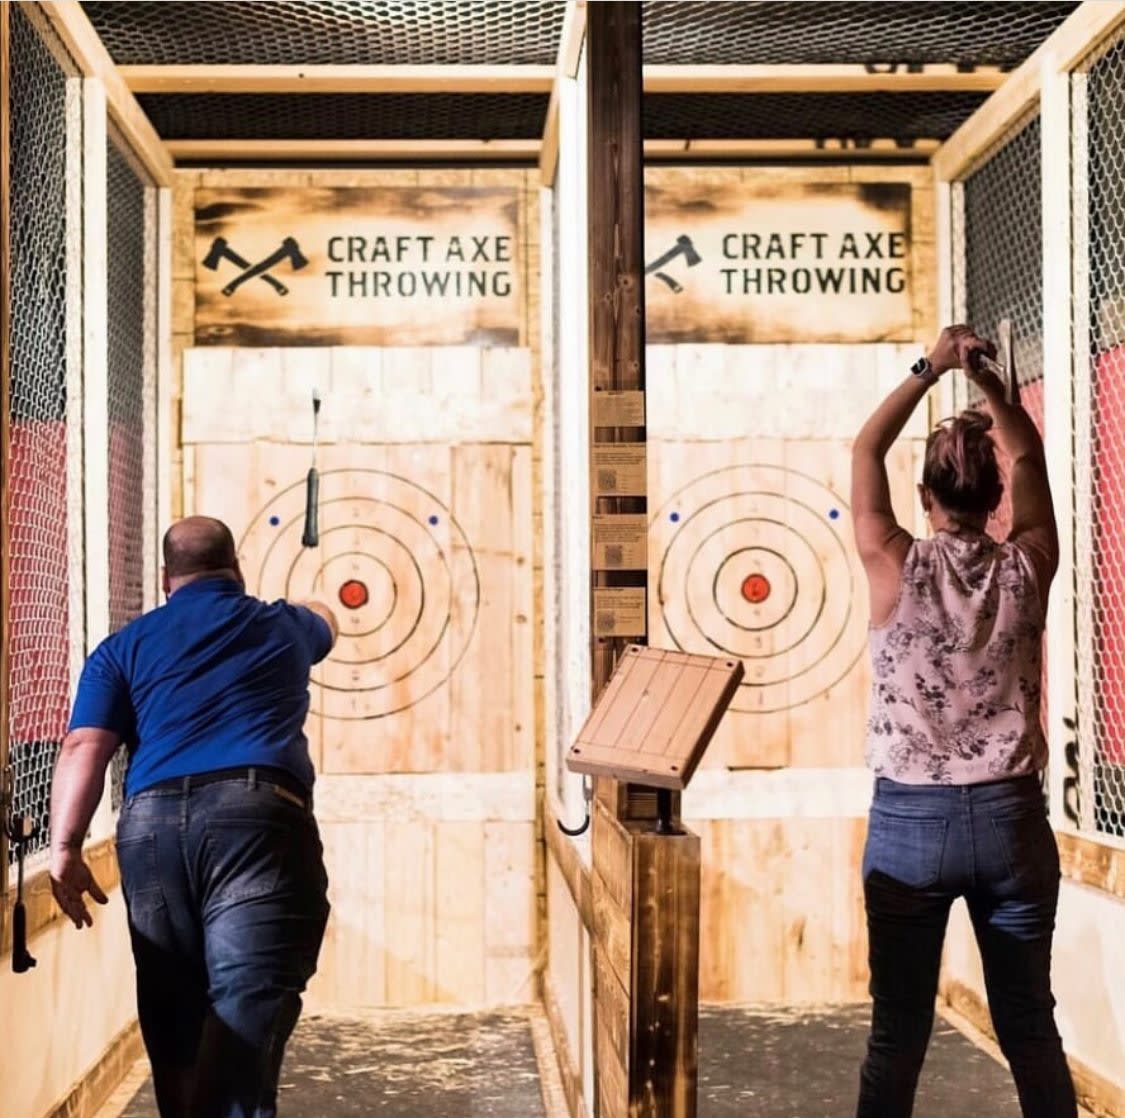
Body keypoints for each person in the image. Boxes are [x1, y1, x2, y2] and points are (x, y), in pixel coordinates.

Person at [851, 325, 1075, 1118]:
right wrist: (989, 387)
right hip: (1011, 823)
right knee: (1027, 1027)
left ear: (925, 498)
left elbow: (864, 451)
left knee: (897, 1030)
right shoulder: (1029, 561)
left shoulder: (892, 559)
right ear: (996, 499)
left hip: (909, 821)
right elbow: (1029, 457)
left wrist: (931, 367)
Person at [48, 516, 339, 1118]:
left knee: (172, 1008)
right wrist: (309, 603)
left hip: (149, 827)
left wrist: (65, 849)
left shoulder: (122, 647)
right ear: (236, 570)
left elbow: (83, 748)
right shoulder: (281, 625)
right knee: (246, 1003)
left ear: (164, 580)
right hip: (254, 818)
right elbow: (327, 618)